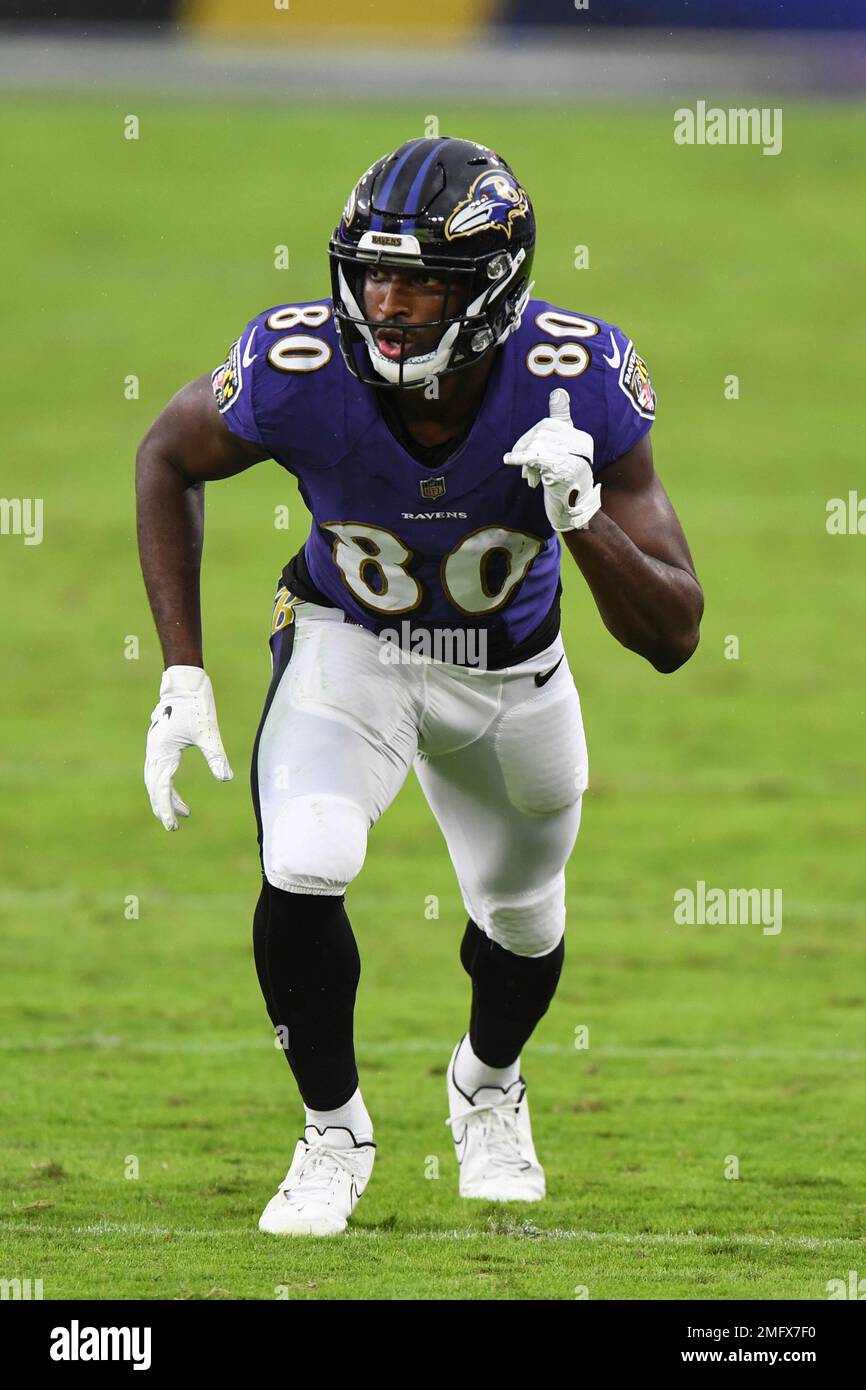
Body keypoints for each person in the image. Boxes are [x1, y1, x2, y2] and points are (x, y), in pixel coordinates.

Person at [136, 136, 703, 1237]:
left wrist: (580, 520)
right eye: (372, 274)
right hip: (352, 642)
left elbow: (674, 632)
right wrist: (182, 669)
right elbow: (167, 454)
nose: (386, 305)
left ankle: (486, 1085)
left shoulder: (577, 375)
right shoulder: (297, 369)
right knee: (305, 857)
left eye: (421, 282)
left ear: (489, 290)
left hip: (509, 672)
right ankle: (331, 1131)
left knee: (523, 922)